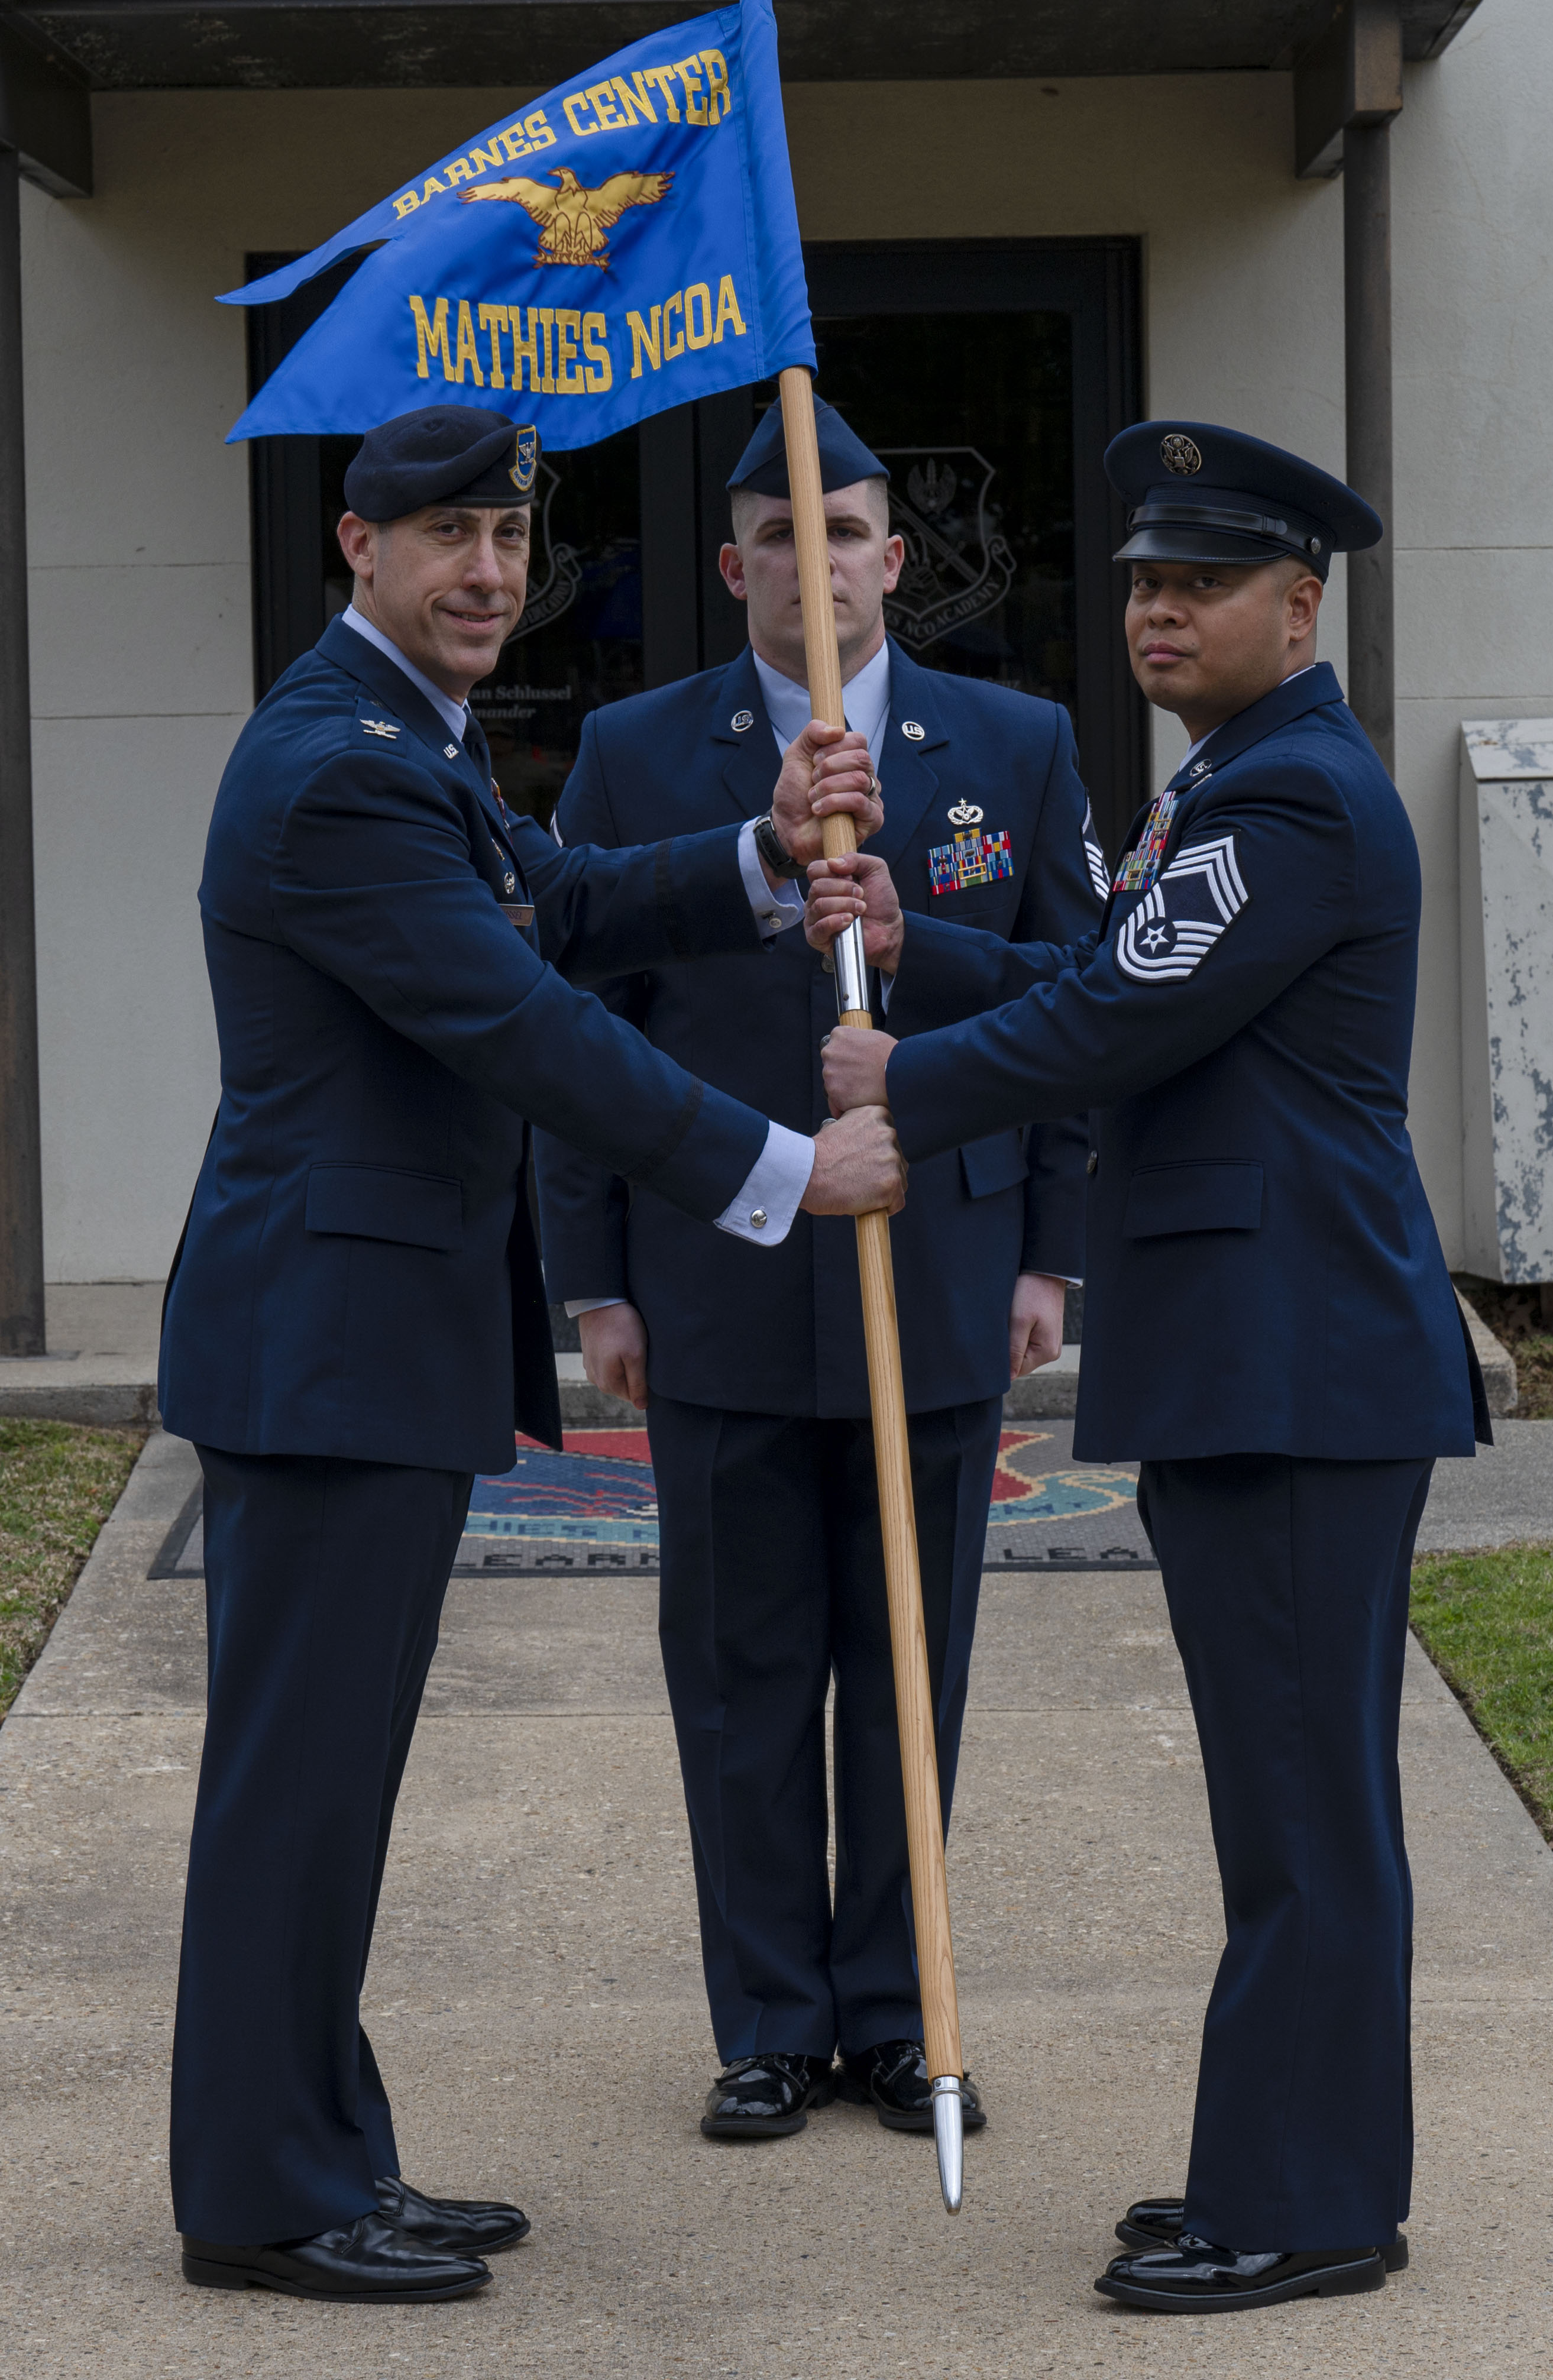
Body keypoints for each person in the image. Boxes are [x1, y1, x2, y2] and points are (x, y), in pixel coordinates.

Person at [158, 404, 903, 2305]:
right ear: (359, 549)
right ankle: (261, 2196)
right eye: (447, 541)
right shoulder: (337, 771)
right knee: (296, 1787)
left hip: (361, 1340)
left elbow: (560, 906)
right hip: (325, 1343)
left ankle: (327, 2154)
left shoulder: (409, 739)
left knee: (330, 1783)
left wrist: (751, 847)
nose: (488, 572)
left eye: (508, 535)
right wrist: (776, 1170)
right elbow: (526, 1022)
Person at [812, 420, 1491, 2314]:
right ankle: (1278, 2168)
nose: (1158, 607)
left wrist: (904, 1083)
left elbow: (1114, 1015)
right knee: (1285, 1801)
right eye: (1138, 579)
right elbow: (1113, 962)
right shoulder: (1240, 786)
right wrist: (913, 946)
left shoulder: (1289, 802)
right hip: (1262, 1360)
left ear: (1303, 601)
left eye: (1201, 581)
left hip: (1298, 1365)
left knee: (1302, 1809)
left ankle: (1309, 2208)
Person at [533, 393, 1102, 2144]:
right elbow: (573, 1022)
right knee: (746, 1670)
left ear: (894, 559)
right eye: (780, 534)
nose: (814, 561)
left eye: (842, 530)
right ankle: (771, 2022)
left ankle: (898, 2013)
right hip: (711, 1284)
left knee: (908, 1669)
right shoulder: (637, 754)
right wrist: (596, 1282)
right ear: (733, 567)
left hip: (940, 1268)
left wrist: (1053, 1255)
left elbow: (1084, 1009)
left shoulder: (1011, 742)